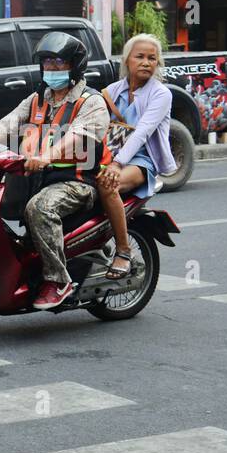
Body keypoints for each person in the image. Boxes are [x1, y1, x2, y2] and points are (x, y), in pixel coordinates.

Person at [0, 31, 111, 310]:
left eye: (58, 63)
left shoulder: (91, 102)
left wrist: (47, 156)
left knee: (39, 209)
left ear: (74, 66)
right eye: (47, 63)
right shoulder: (38, 99)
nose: (51, 69)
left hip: (76, 183)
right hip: (35, 179)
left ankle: (58, 280)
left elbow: (77, 136)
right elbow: (7, 125)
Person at [97, 34, 174, 279]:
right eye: (139, 57)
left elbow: (142, 133)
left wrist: (117, 164)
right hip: (109, 156)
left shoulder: (161, 94)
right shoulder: (111, 91)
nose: (146, 62)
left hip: (141, 160)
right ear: (127, 60)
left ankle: (123, 251)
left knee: (107, 184)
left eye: (152, 58)